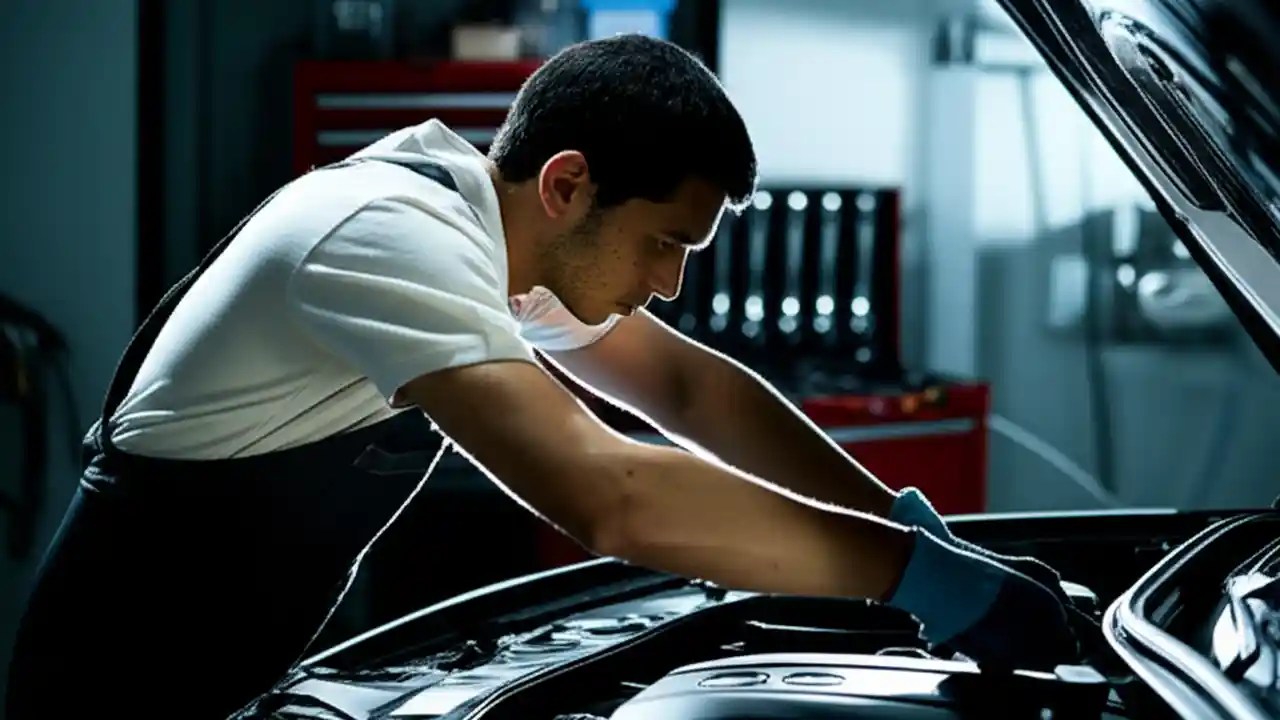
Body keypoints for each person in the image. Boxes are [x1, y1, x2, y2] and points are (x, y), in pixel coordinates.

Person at [5, 33, 1078, 720]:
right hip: (107, 698)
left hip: (227, 679)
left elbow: (692, 393)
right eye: (663, 241)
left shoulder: (497, 248)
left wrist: (911, 528)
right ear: (566, 183)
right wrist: (916, 580)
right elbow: (603, 490)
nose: (665, 285)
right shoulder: (386, 232)